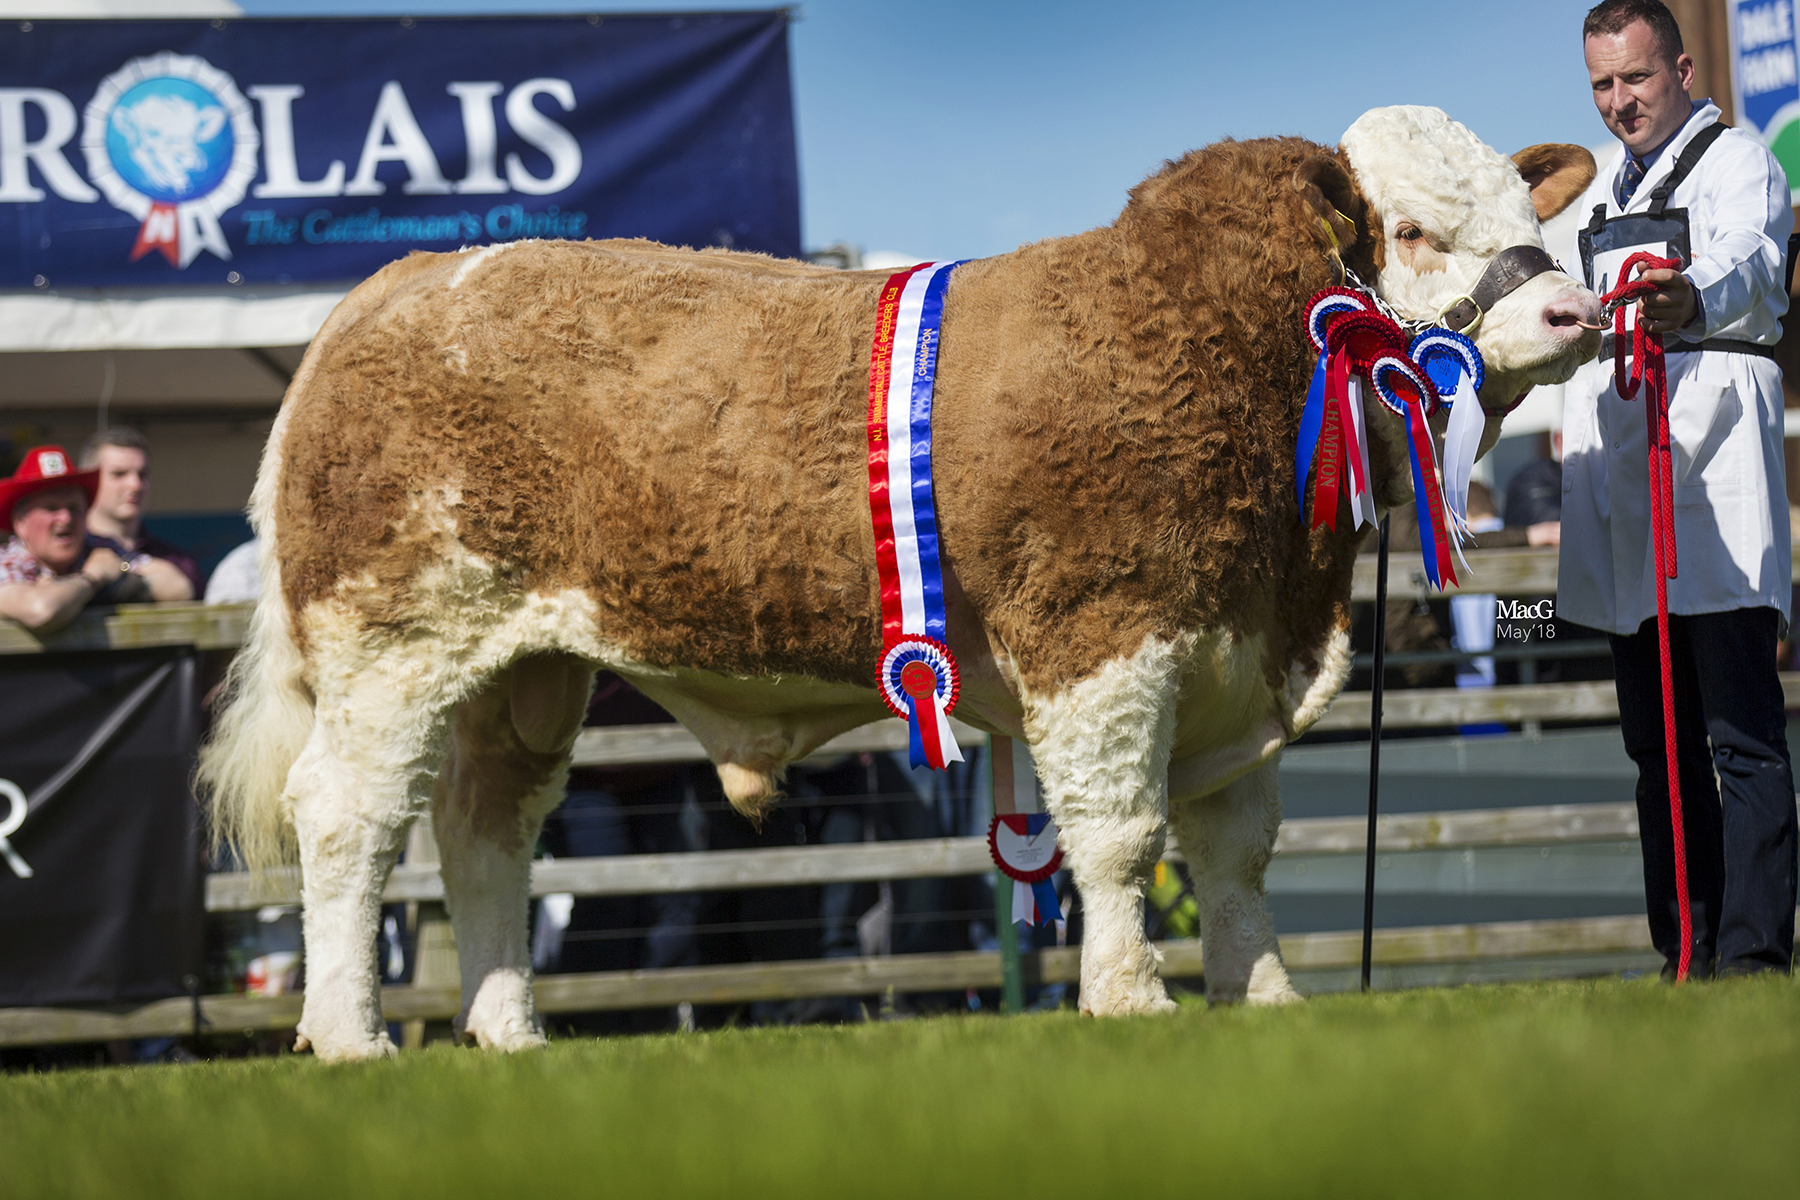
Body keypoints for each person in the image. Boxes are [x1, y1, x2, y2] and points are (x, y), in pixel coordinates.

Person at [1560, 0, 1796, 978]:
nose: (1621, 102)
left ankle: (1751, 959)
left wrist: (1690, 292)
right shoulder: (1593, 201)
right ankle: (1683, 949)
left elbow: (1757, 258)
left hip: (1713, 469)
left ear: (1685, 70)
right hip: (1626, 485)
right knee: (1656, 750)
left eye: (1637, 79)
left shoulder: (1739, 162)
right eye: (1604, 85)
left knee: (1739, 737)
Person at [0, 445, 187, 633]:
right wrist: (93, 579)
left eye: (74, 508)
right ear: (20, 522)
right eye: (51, 508)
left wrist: (121, 571)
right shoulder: (8, 563)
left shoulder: (100, 548)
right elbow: (41, 612)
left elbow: (178, 588)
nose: (66, 518)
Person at [78, 428, 199, 599]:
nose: (135, 485)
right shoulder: (67, 556)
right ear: (89, 480)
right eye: (119, 474)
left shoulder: (178, 561)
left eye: (143, 474)